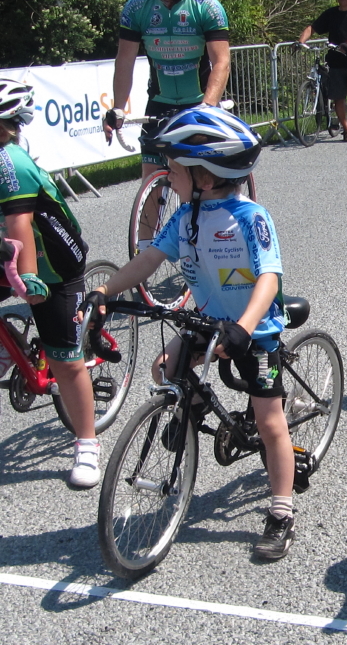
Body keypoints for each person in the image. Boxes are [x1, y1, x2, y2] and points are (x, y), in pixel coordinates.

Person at [83, 106, 296, 560]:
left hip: (253, 332)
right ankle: (191, 411)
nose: (167, 176)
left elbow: (269, 279)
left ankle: (281, 511)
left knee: (269, 421)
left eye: (174, 170)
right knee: (166, 367)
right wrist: (105, 289)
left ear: (205, 177)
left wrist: (244, 327)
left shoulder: (250, 217)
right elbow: (147, 262)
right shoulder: (185, 219)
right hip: (208, 323)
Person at [0, 79, 98, 488]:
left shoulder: (8, 162)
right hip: (11, 250)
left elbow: (20, 225)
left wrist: (25, 280)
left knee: (66, 360)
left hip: (53, 265)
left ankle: (87, 443)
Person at [102, 0, 231, 252]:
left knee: (203, 181)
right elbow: (125, 61)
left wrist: (208, 106)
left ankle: (219, 237)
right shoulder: (137, 8)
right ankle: (145, 254)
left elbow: (221, 62)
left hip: (199, 104)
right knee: (151, 179)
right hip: (159, 105)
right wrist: (118, 107)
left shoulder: (207, 7)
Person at [299, 0, 347, 142]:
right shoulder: (331, 13)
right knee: (339, 97)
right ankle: (346, 130)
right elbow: (312, 28)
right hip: (336, 63)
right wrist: (301, 41)